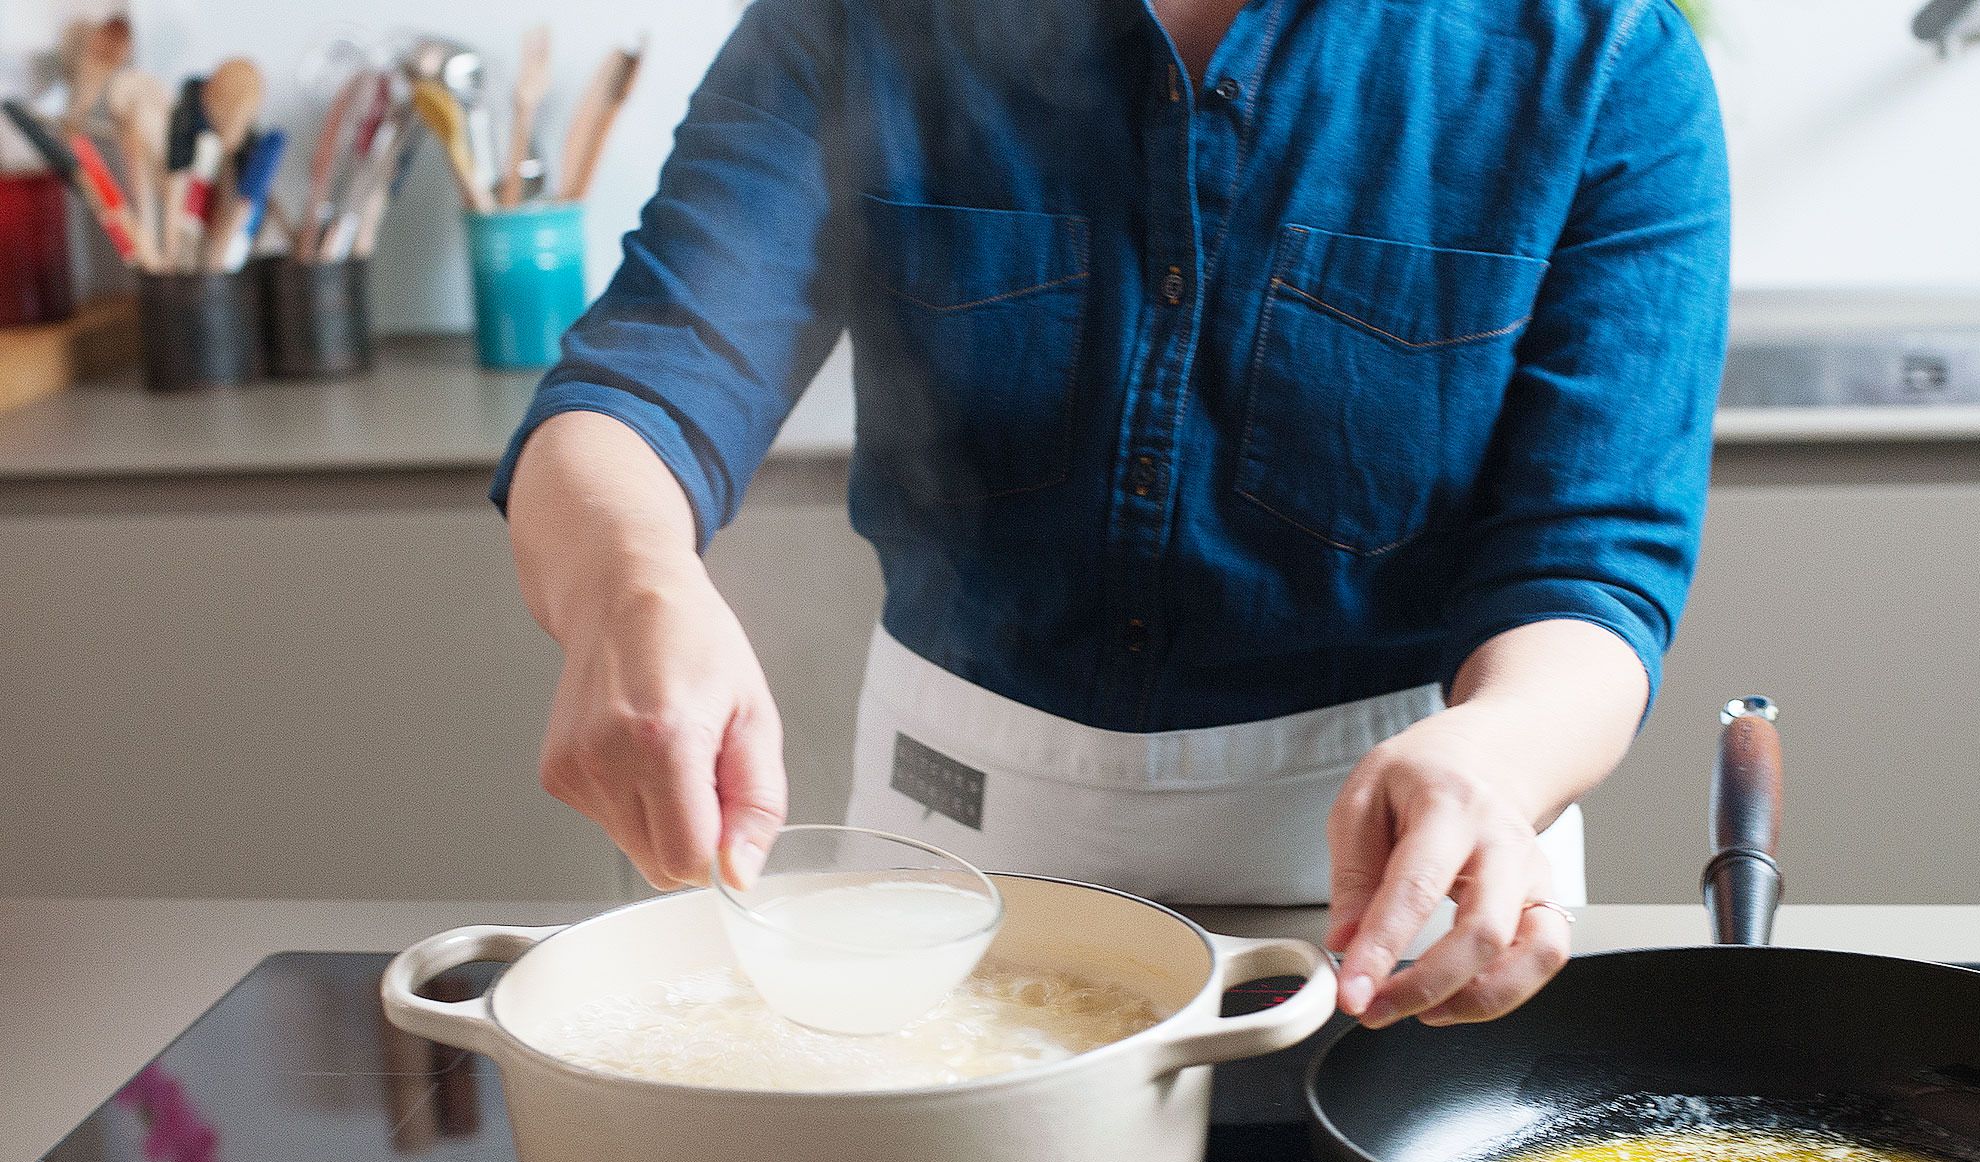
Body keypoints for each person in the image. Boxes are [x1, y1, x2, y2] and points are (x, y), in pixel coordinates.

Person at [495, 0, 1730, 1029]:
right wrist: (630, 586)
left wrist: (1498, 752)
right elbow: (646, 378)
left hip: (1402, 885)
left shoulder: (1599, 54)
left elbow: (1592, 562)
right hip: (955, 863)